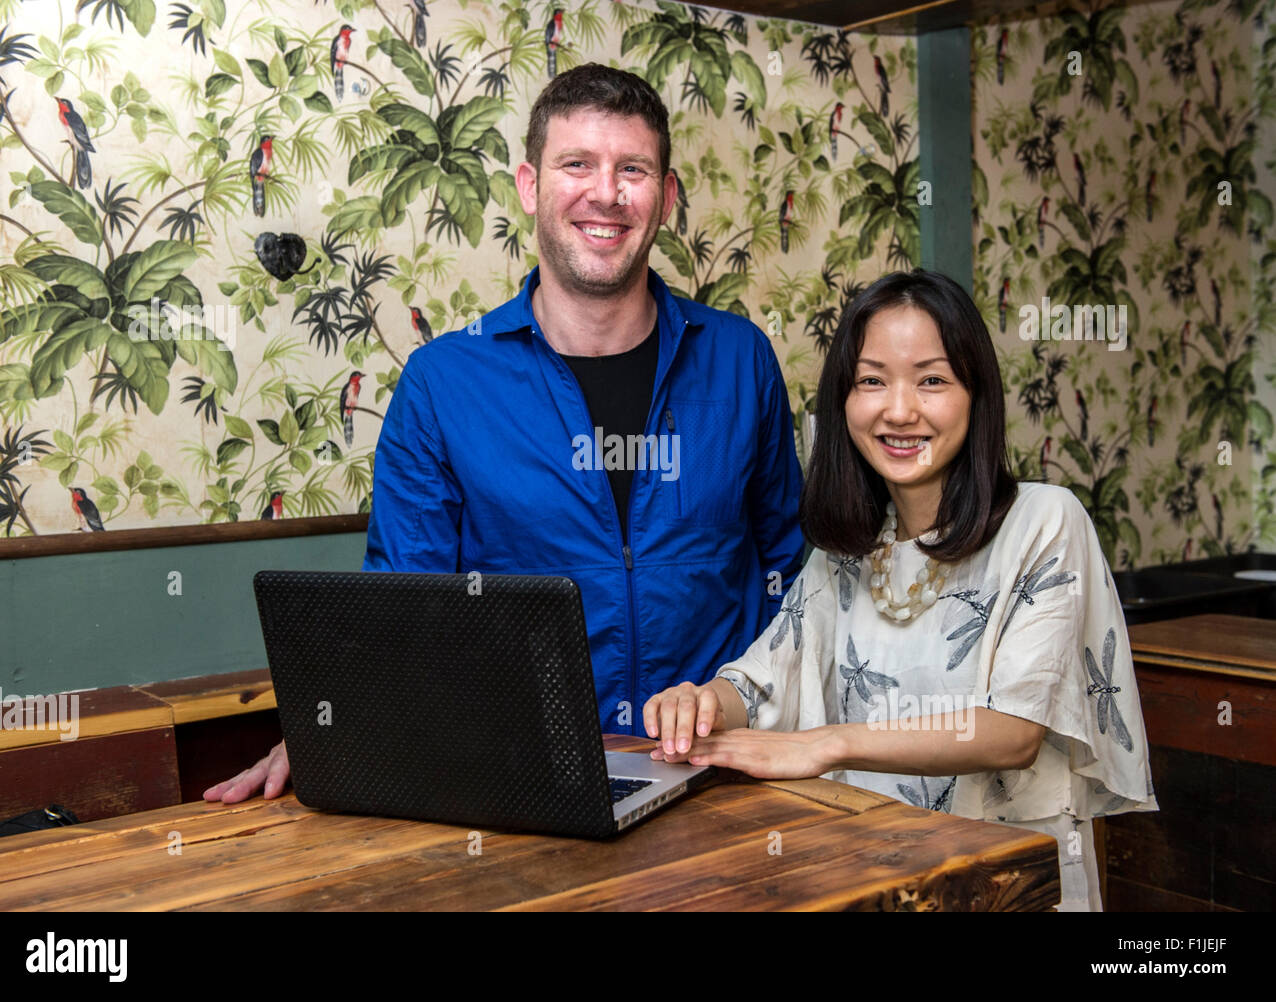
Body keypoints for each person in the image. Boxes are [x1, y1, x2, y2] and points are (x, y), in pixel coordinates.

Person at [205, 64, 804, 804]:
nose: (606, 193)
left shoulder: (742, 358)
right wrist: (337, 722)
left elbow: (792, 574)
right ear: (529, 186)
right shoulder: (441, 383)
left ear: (667, 196)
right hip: (525, 778)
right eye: (576, 164)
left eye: (633, 169)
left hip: (725, 776)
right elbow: (407, 600)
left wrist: (762, 714)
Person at [643, 269, 1156, 911]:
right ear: (844, 401)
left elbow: (1014, 730)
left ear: (976, 394)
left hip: (1009, 883)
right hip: (883, 879)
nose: (899, 409)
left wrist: (828, 743)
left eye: (932, 380)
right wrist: (701, 702)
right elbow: (767, 676)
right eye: (872, 380)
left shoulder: (1044, 522)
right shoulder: (850, 549)